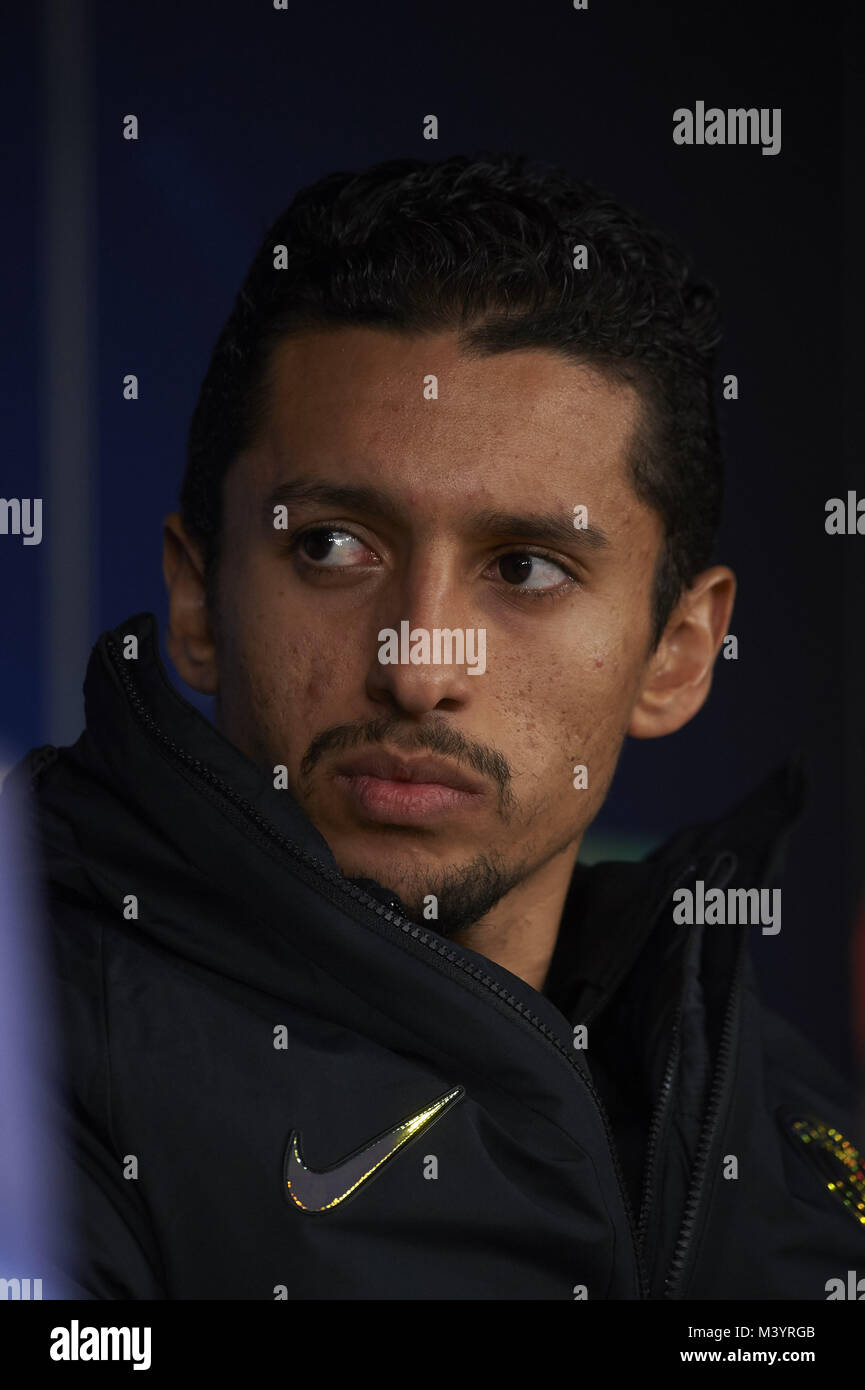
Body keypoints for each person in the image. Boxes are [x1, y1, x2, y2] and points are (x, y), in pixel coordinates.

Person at [8, 154, 864, 1299]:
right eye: (331, 547)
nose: (418, 666)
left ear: (679, 652)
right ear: (198, 597)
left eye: (524, 567)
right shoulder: (34, 1072)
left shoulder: (798, 1133)